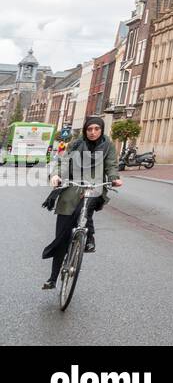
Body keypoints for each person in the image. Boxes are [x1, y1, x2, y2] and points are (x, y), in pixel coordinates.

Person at [42, 115, 121, 289]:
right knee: (62, 235)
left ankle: (88, 237)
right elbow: (63, 162)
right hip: (72, 185)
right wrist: (56, 175)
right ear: (85, 130)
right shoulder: (75, 145)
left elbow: (111, 165)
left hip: (94, 186)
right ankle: (53, 278)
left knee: (87, 205)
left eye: (96, 129)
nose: (93, 132)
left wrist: (114, 178)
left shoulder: (108, 146)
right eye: (89, 129)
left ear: (101, 130)